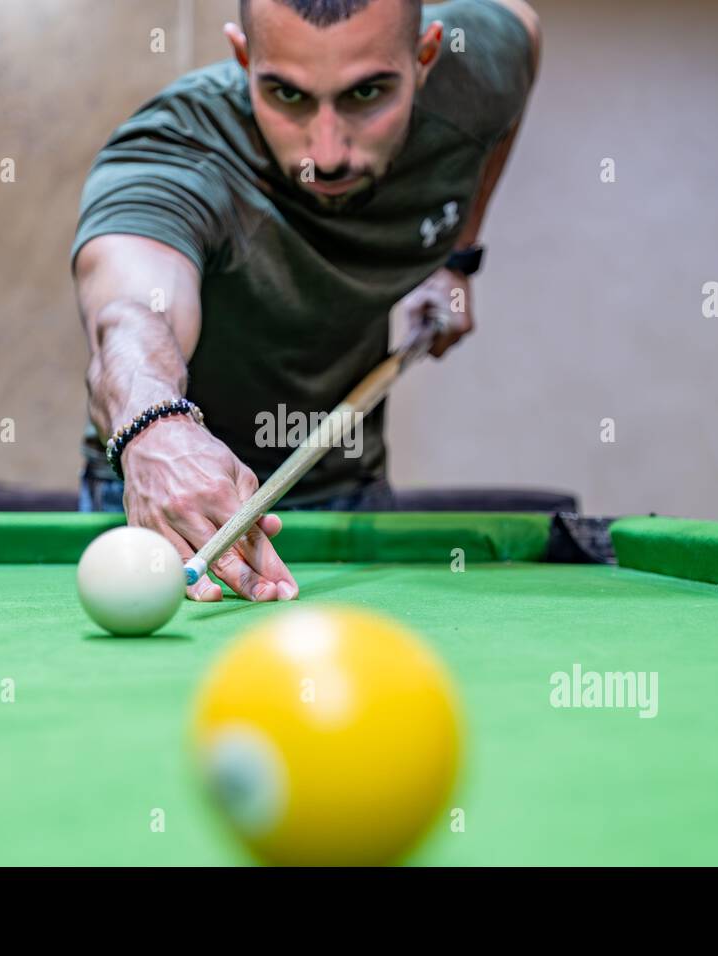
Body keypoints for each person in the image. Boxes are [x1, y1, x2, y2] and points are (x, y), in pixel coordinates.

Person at [72, 0, 540, 602]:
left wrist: (457, 258)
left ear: (426, 58)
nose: (327, 151)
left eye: (367, 94)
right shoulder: (177, 151)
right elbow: (131, 314)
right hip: (160, 486)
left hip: (345, 479)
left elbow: (522, 31)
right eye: (288, 96)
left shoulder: (476, 72)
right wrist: (152, 425)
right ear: (244, 59)